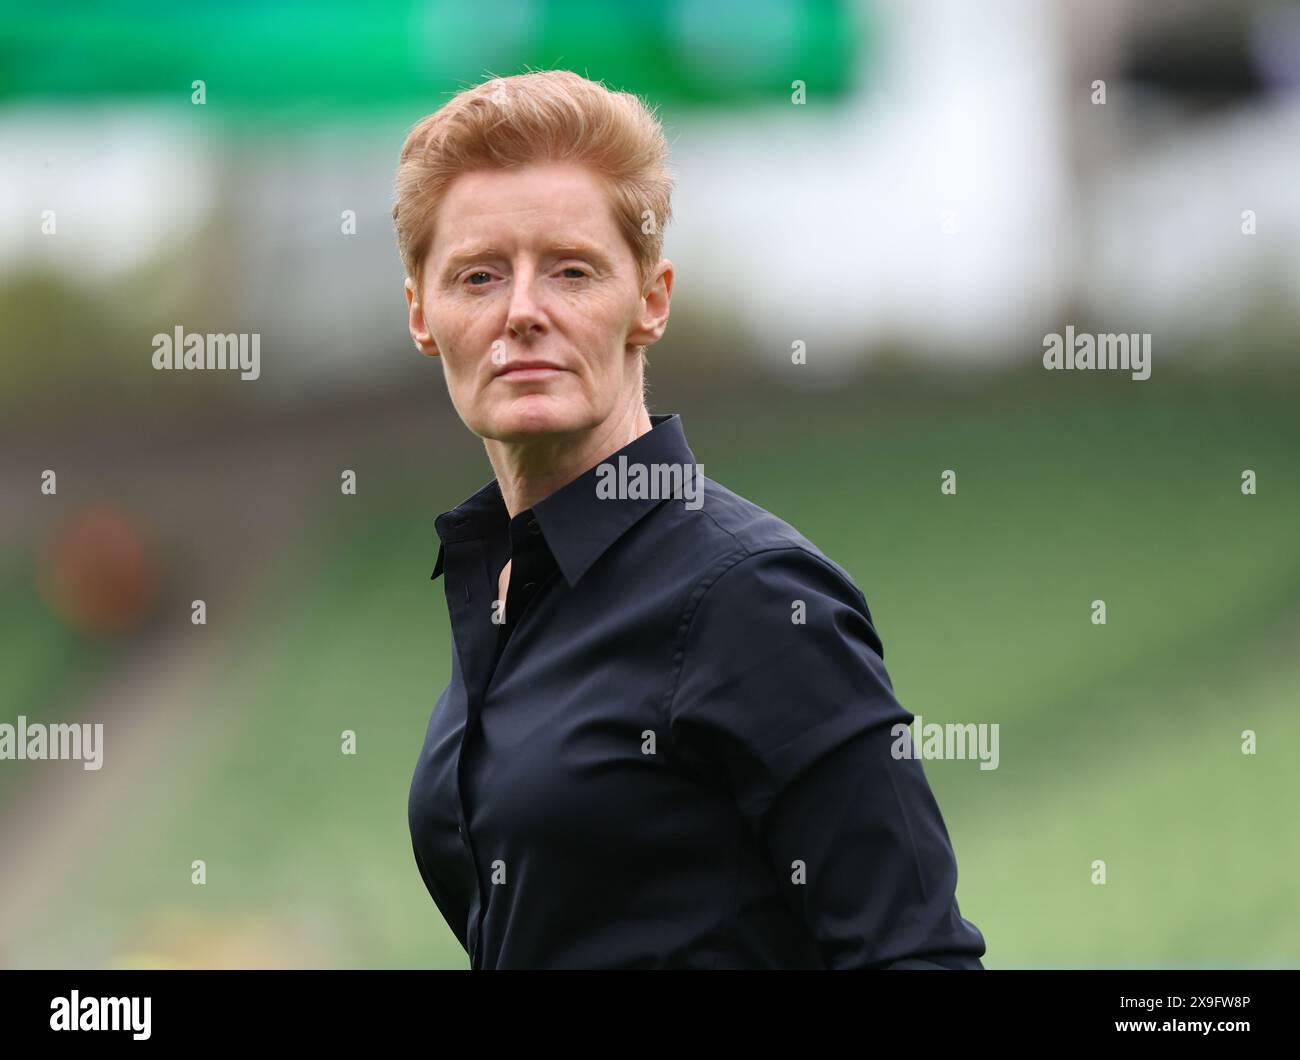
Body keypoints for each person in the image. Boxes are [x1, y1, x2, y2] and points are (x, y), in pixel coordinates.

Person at [394, 69, 985, 969]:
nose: (522, 312)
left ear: (651, 299)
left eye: (571, 270)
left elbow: (918, 957)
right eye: (478, 276)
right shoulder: (501, 584)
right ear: (422, 314)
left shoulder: (752, 597)